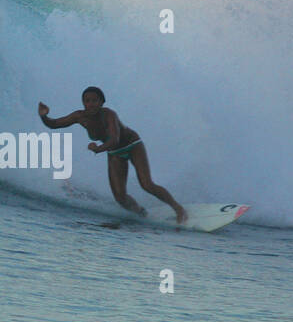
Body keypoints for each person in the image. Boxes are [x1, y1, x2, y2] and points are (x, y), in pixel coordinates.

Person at [39, 87, 187, 224]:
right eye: (87, 101)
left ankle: (179, 209)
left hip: (133, 145)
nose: (90, 104)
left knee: (146, 184)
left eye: (94, 100)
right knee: (120, 197)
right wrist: (44, 116)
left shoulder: (109, 114)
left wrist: (98, 149)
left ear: (102, 102)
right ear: (83, 103)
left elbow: (114, 139)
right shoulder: (79, 116)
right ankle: (141, 213)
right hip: (115, 152)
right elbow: (54, 124)